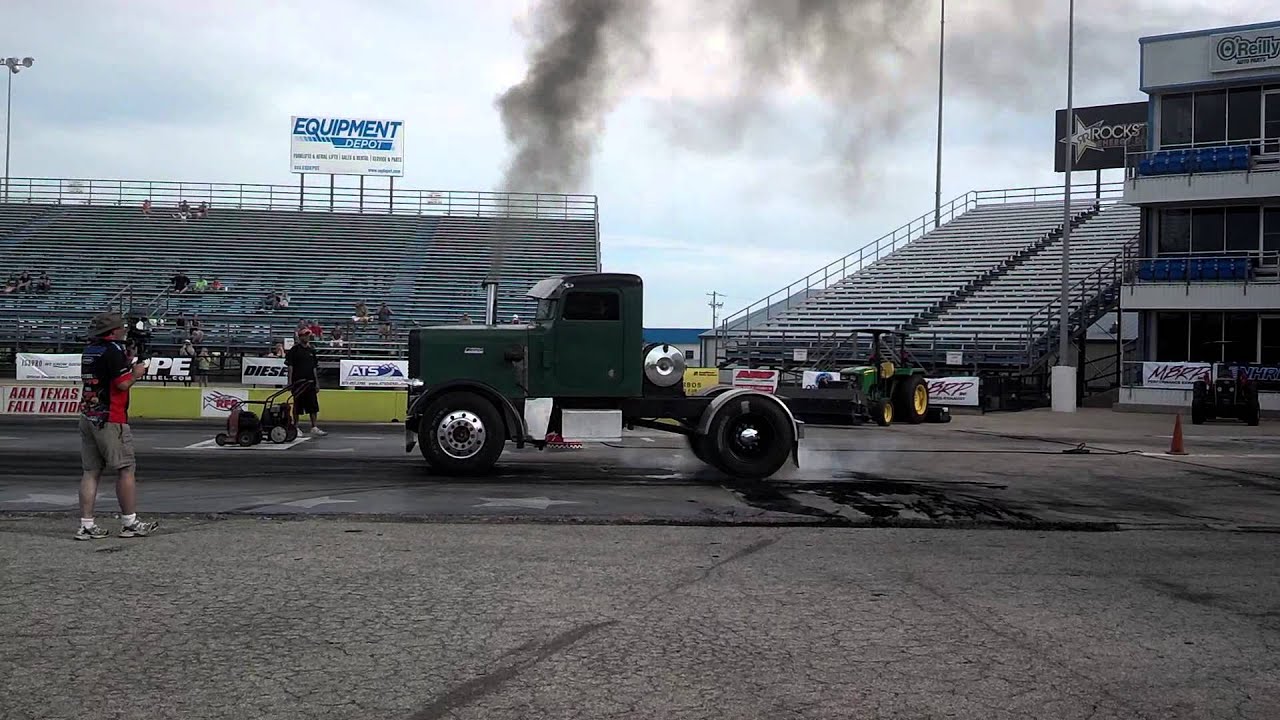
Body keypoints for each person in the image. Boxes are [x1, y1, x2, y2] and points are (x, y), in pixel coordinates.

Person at [76, 311, 159, 541]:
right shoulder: (112, 350)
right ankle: (129, 522)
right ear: (113, 331)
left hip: (89, 414)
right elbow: (122, 384)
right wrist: (137, 373)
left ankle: (86, 524)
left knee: (91, 471)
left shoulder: (90, 349)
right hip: (111, 417)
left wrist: (127, 358)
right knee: (125, 469)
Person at [285, 328, 326, 436]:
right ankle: (296, 427)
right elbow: (290, 366)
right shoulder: (294, 350)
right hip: (298, 382)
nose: (307, 337)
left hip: (310, 382)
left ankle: (314, 426)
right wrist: (289, 382)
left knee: (313, 405)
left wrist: (316, 383)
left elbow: (314, 368)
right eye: (305, 335)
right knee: (297, 405)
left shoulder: (311, 350)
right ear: (300, 337)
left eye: (308, 335)